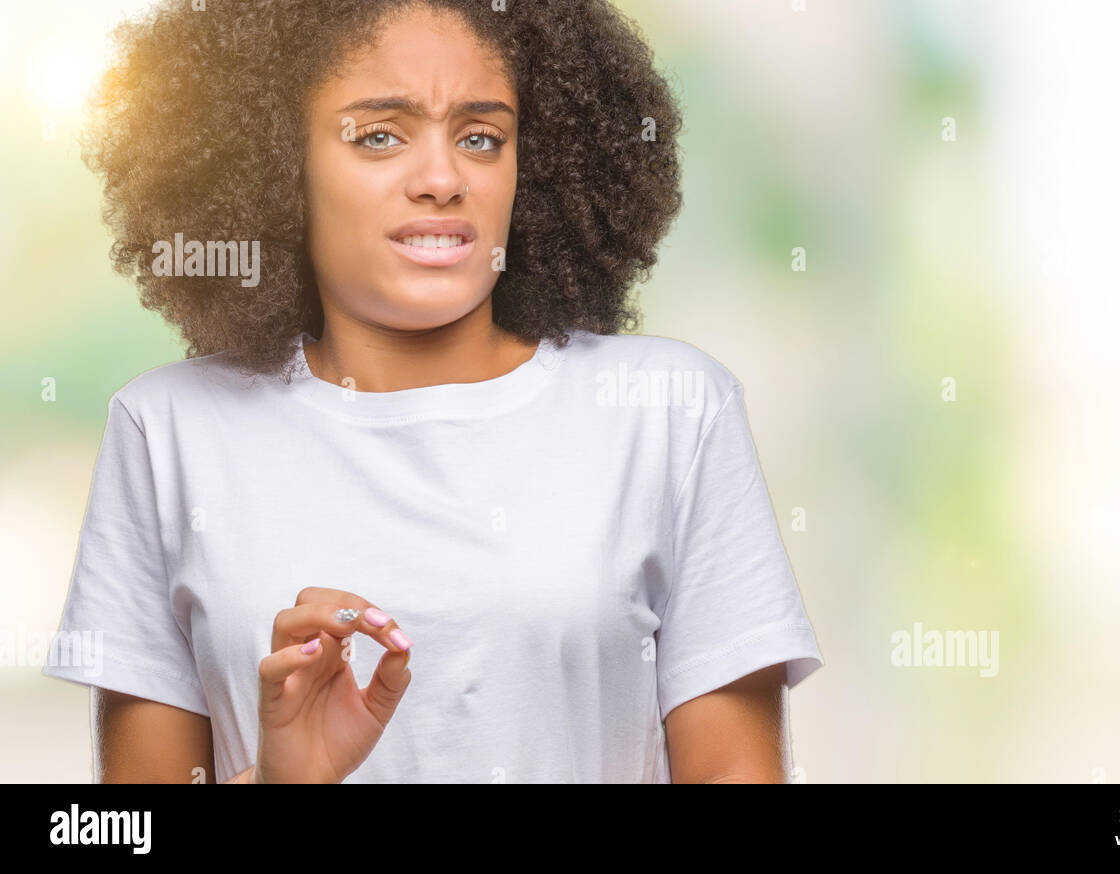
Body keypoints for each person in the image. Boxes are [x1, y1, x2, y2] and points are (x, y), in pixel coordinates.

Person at [44, 0, 824, 783]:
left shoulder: (667, 412)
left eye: (481, 138)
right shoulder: (168, 430)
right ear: (276, 162)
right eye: (379, 135)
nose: (444, 179)